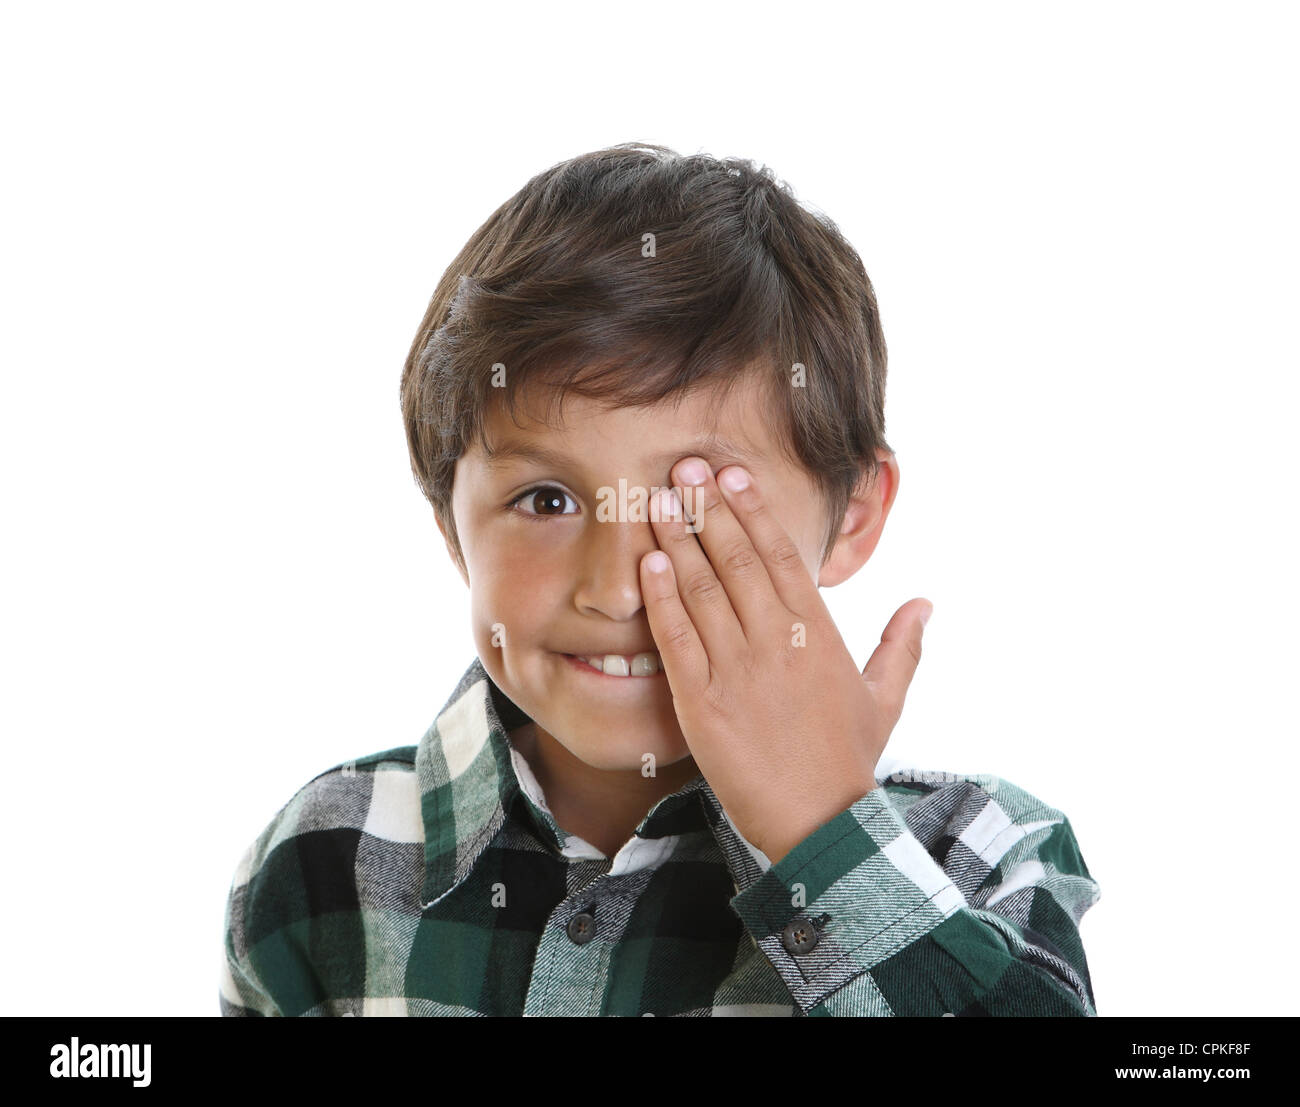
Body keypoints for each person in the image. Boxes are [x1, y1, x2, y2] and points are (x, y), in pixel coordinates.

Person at [220, 143, 1100, 1016]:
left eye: (694, 500)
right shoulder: (322, 860)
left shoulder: (976, 849)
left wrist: (821, 826)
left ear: (854, 515)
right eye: (547, 498)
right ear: (452, 526)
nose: (615, 588)